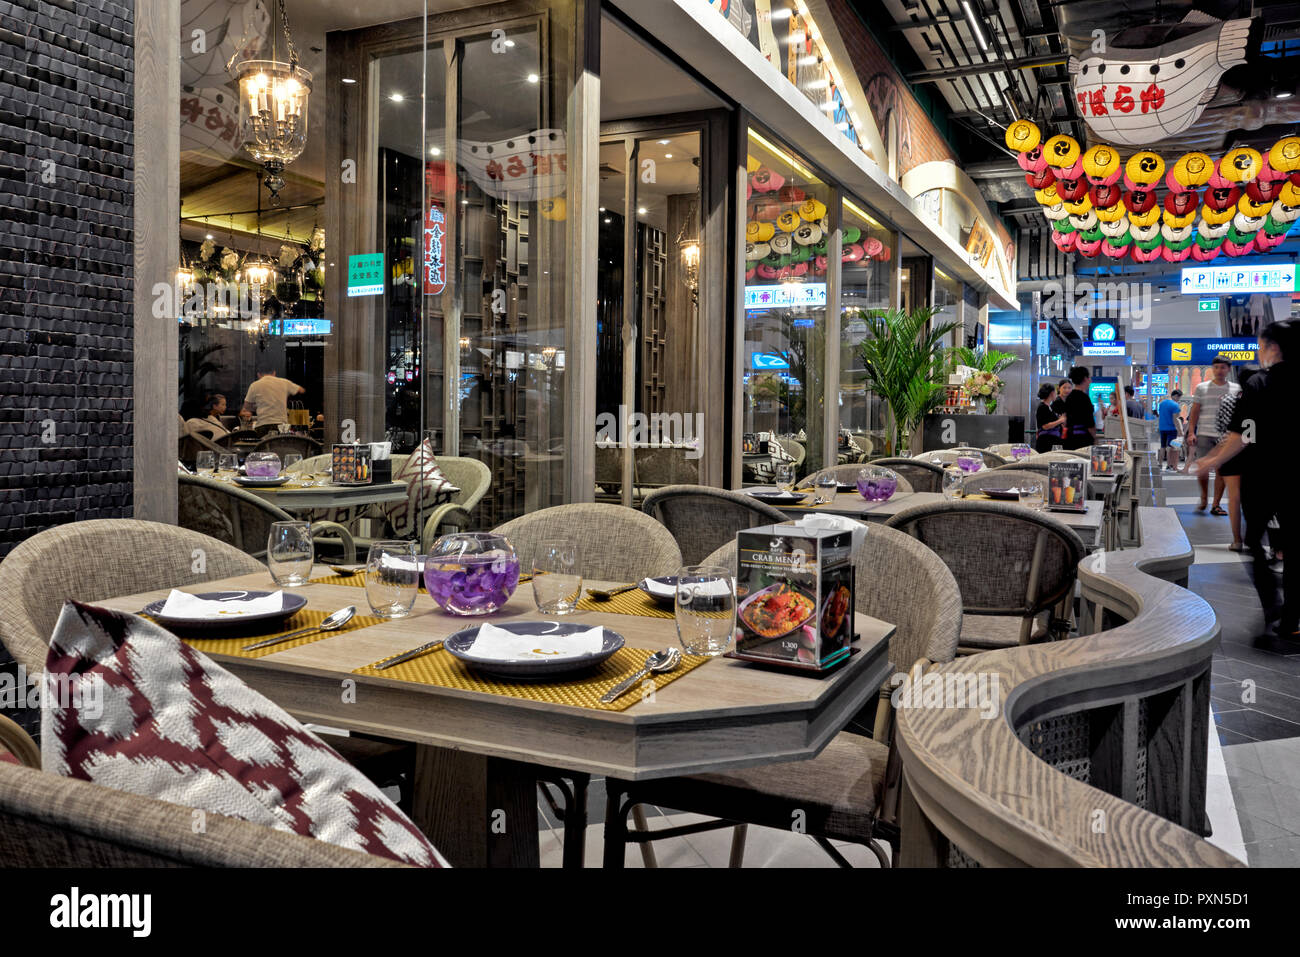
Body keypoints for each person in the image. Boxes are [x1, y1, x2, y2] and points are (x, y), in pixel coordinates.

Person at [1196, 320, 1297, 640]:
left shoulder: (1257, 384)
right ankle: (1290, 619)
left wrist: (1211, 460)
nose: (1259, 350)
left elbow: (1242, 436)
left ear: (1273, 348)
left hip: (1264, 475)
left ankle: (1273, 608)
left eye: (1261, 345)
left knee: (1254, 540)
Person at [1186, 355, 1240, 513]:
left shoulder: (1236, 389)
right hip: (1204, 433)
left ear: (1228, 369)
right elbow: (1194, 411)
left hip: (1225, 436)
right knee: (1202, 469)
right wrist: (1191, 432)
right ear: (1212, 369)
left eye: (1223, 367)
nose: (1219, 370)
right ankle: (1204, 497)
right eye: (1216, 367)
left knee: (1221, 470)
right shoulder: (1202, 388)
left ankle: (1216, 504)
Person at [1213, 366, 1259, 553]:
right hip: (1255, 454)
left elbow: (1220, 426)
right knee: (1257, 497)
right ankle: (1264, 542)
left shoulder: (1228, 400)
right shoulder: (1263, 400)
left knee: (1234, 498)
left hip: (1231, 451)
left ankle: (1237, 540)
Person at [1062, 366, 1095, 450]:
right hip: (1082, 440)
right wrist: (1094, 438)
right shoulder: (1084, 398)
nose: (1090, 381)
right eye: (1089, 378)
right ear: (1084, 379)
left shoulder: (1069, 397)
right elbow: (1089, 422)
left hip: (1069, 438)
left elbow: (1065, 418)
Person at [1034, 382, 1066, 453]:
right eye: (1055, 392)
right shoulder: (1042, 407)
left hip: (1053, 441)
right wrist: (1060, 421)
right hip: (1046, 442)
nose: (1056, 394)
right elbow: (1045, 426)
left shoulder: (1049, 407)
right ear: (1051, 393)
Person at [1157, 389, 1183, 471]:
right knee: (1171, 447)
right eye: (1179, 398)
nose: (1179, 399)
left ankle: (1160, 464)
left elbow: (1160, 414)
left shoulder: (1162, 403)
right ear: (1176, 396)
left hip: (1162, 427)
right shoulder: (1175, 405)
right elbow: (1176, 419)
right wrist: (1180, 430)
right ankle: (1169, 465)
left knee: (1162, 446)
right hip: (1172, 428)